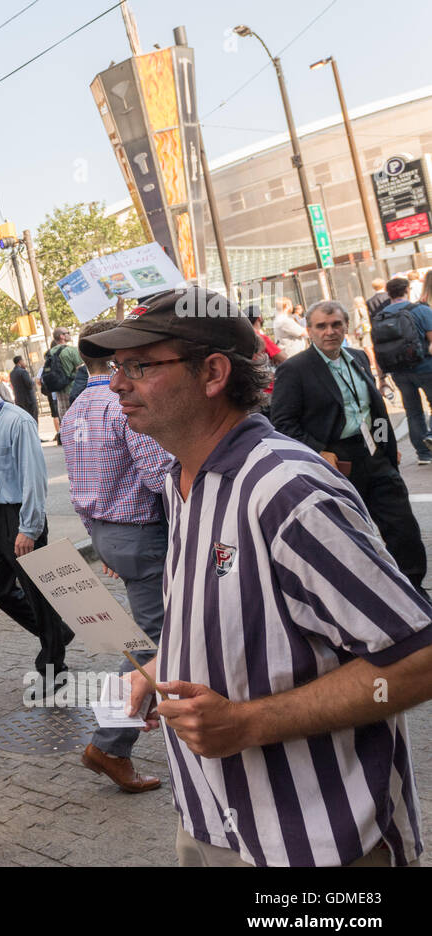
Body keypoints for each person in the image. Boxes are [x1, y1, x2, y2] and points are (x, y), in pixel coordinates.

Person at [81, 287, 432, 867]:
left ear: (213, 372)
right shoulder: (179, 480)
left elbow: (417, 660)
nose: (117, 383)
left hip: (317, 842)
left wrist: (246, 723)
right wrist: (161, 670)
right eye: (118, 367)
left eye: (139, 366)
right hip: (210, 820)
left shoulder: (288, 492)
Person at [59, 319, 172, 793]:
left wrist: (104, 541)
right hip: (139, 532)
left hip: (109, 533)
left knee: (150, 636)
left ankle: (123, 735)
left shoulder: (75, 409)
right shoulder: (123, 404)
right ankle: (109, 743)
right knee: (150, 642)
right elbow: (157, 475)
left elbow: (80, 491)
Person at [270, 301, 427, 593]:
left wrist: (384, 445)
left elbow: (370, 409)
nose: (330, 332)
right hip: (334, 462)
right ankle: (372, 599)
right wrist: (317, 450)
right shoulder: (295, 369)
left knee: (402, 528)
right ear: (309, 330)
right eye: (321, 326)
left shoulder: (357, 356)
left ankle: (414, 591)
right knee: (351, 536)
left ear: (345, 326)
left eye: (336, 325)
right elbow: (282, 423)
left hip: (374, 455)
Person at [0, 356, 74, 698]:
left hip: (18, 516)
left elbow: (35, 479)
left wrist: (30, 528)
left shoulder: (17, 421)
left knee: (38, 595)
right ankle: (56, 632)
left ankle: (53, 669)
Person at [372, 276, 432, 465]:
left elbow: (378, 349)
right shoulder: (420, 310)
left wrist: (381, 379)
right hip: (425, 367)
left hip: (398, 371)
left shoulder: (380, 317)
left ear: (388, 293)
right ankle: (430, 437)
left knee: (412, 411)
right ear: (407, 290)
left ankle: (423, 454)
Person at [10, 355, 39, 420]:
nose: (25, 363)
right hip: (29, 401)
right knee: (33, 420)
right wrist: (33, 380)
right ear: (20, 362)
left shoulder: (12, 373)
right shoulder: (23, 372)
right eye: (23, 361)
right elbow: (29, 384)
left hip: (19, 401)